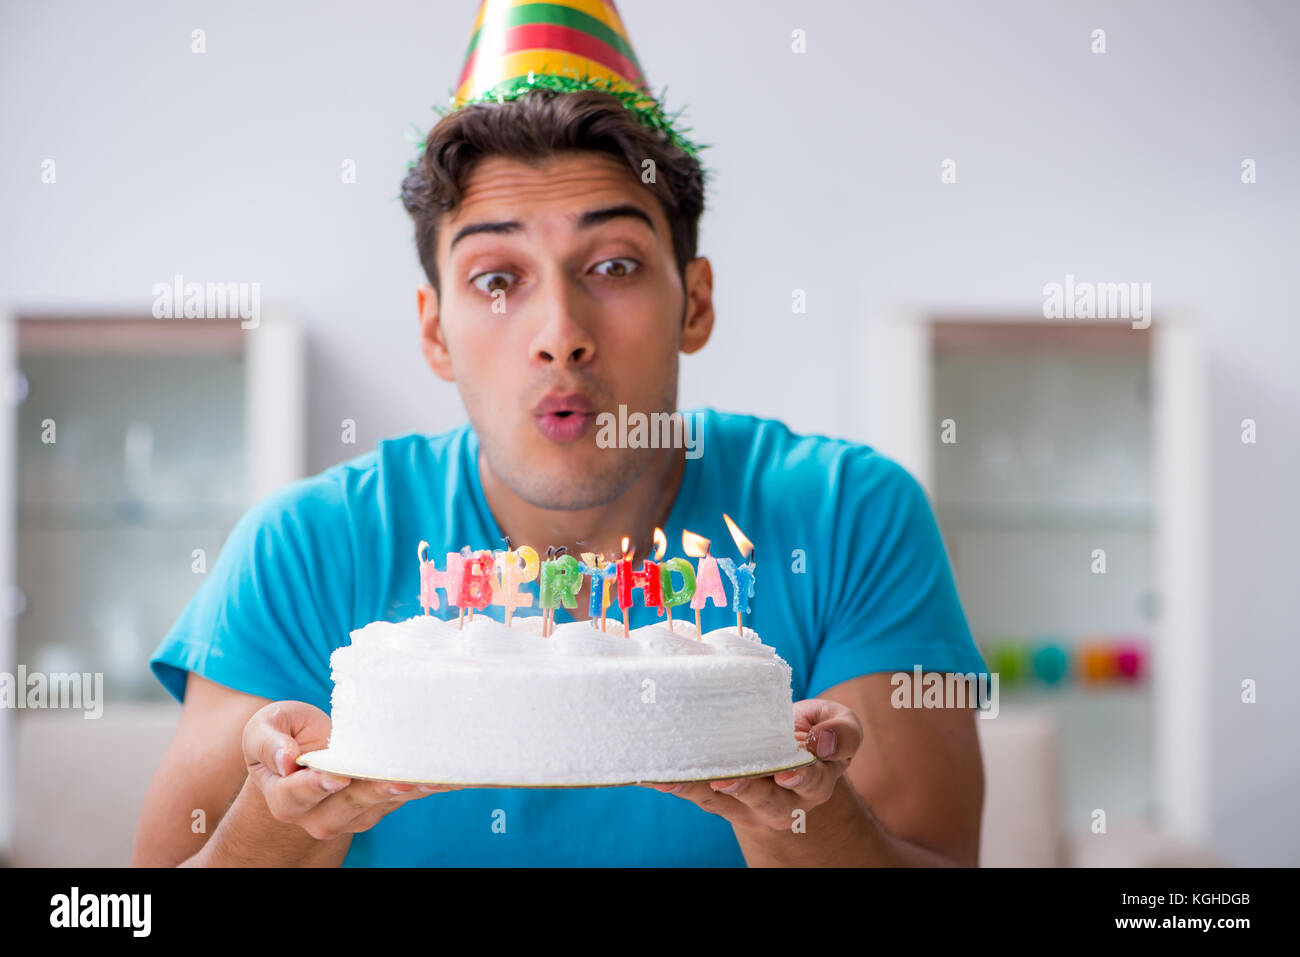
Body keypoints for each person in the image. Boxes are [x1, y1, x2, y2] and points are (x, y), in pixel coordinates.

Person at [133, 0, 987, 867]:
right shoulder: (303, 550)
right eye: (498, 276)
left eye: (612, 265)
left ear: (694, 301)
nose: (559, 330)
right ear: (434, 331)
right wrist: (280, 821)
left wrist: (799, 816)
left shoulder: (848, 517)